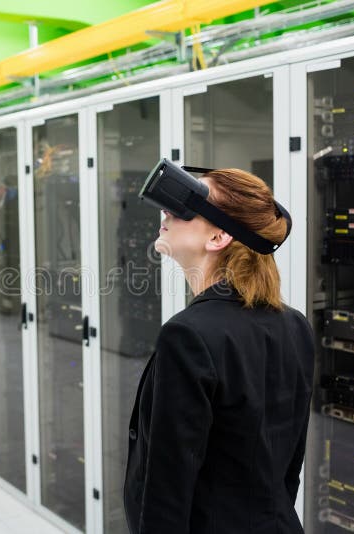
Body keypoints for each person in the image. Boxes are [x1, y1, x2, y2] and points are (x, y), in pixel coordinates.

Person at [124, 164, 315, 533]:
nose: (166, 212)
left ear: (218, 238)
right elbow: (289, 466)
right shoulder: (296, 325)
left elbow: (166, 484)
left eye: (182, 207)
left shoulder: (187, 335)